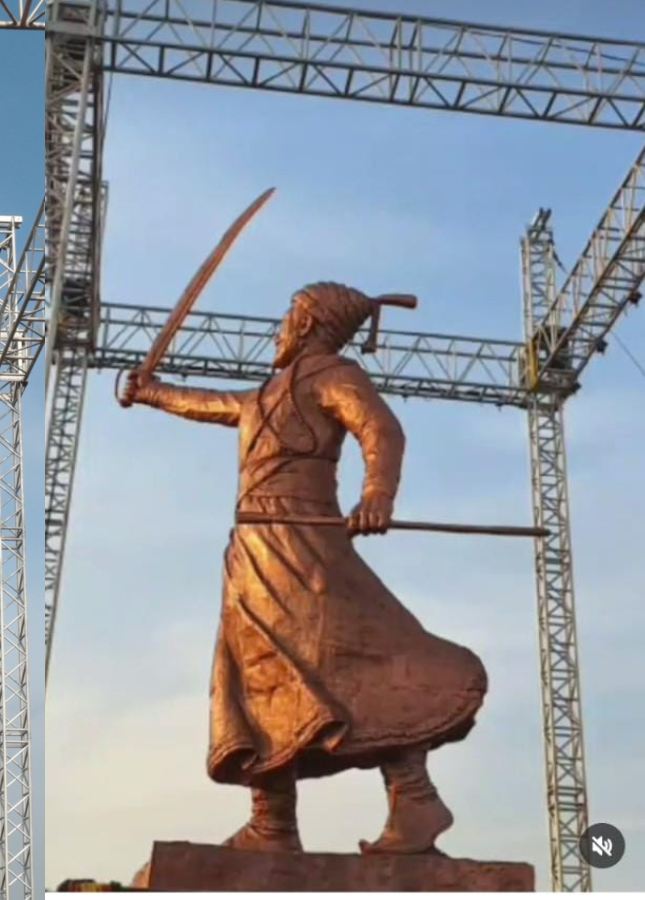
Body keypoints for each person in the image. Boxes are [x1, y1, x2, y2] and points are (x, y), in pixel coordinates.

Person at [123, 282, 487, 854]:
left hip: (306, 539)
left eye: (290, 315)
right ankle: (273, 823)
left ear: (311, 322)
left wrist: (377, 494)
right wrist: (154, 394)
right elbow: (215, 405)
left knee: (347, 661)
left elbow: (380, 429)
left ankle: (414, 797)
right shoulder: (268, 392)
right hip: (252, 548)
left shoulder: (336, 376)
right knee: (255, 672)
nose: (281, 326)